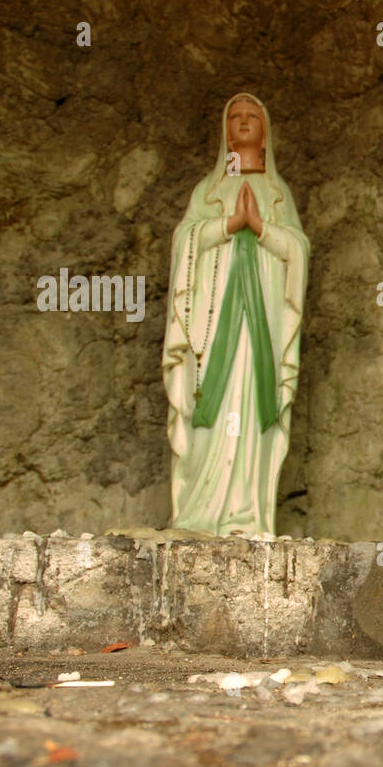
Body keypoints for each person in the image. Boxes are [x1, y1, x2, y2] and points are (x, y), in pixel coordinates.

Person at [162, 93, 310, 537]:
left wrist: (262, 228)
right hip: (212, 327)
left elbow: (298, 251)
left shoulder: (278, 194)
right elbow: (183, 243)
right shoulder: (208, 191)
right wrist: (228, 225)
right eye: (235, 116)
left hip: (260, 324)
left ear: (266, 132)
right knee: (212, 398)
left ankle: (247, 512)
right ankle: (199, 513)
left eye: (252, 116)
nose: (243, 122)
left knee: (251, 401)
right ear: (224, 131)